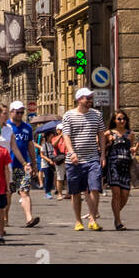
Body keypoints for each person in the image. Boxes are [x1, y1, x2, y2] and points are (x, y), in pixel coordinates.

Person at [61, 86, 106, 232]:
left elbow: (101, 134)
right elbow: (66, 136)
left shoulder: (97, 115)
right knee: (75, 192)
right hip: (74, 160)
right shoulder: (68, 115)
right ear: (79, 99)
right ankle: (78, 221)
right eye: (88, 98)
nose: (90, 100)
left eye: (91, 98)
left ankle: (92, 219)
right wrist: (72, 153)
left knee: (95, 188)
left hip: (93, 158)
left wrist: (102, 154)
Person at [7, 101, 40, 228]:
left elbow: (30, 146)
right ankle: (4, 218)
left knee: (25, 192)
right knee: (8, 193)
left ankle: (29, 218)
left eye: (22, 112)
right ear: (11, 112)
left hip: (24, 166)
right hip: (8, 166)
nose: (20, 114)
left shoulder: (27, 127)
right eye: (17, 112)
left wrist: (34, 164)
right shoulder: (6, 126)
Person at [104, 109, 135, 230]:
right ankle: (118, 221)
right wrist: (108, 144)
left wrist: (133, 150)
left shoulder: (130, 134)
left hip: (126, 166)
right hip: (113, 165)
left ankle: (116, 215)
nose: (122, 121)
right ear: (114, 120)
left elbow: (130, 148)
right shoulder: (109, 133)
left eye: (124, 119)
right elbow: (101, 147)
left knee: (125, 195)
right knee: (116, 194)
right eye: (119, 119)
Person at [36, 133, 55, 197]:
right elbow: (42, 155)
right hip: (45, 164)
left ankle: (49, 191)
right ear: (47, 137)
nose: (52, 138)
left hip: (52, 164)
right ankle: (47, 192)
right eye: (51, 137)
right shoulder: (44, 145)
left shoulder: (51, 144)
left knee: (51, 177)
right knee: (47, 177)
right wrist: (49, 160)